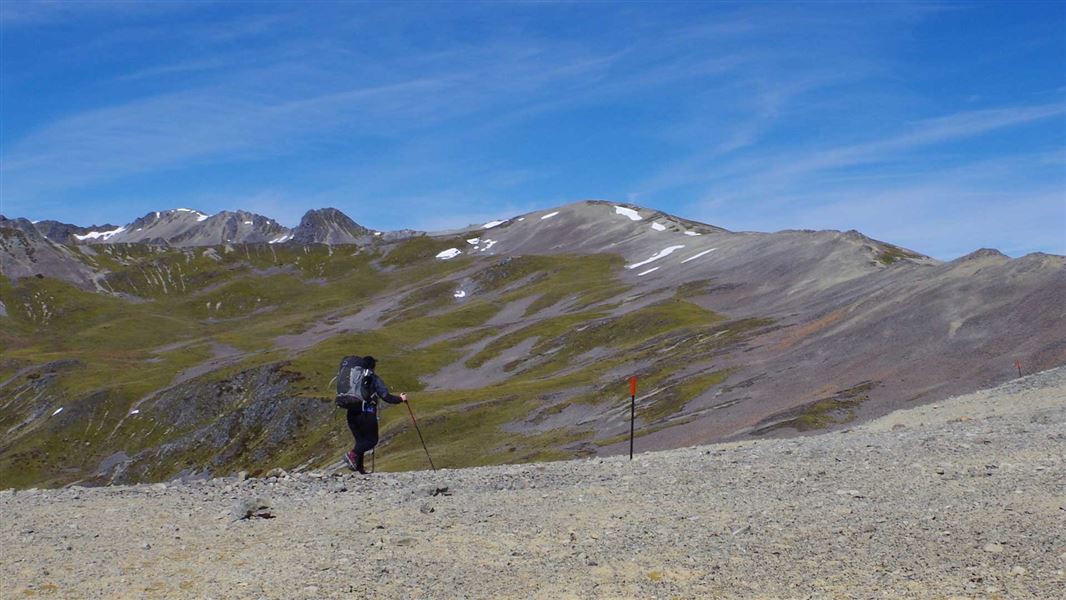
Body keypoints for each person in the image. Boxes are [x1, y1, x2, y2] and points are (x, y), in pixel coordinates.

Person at [342, 355, 407, 474]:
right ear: (373, 366)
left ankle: (359, 468)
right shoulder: (373, 378)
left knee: (360, 441)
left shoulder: (354, 380)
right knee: (372, 440)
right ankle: (352, 455)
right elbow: (386, 396)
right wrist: (401, 399)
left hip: (351, 412)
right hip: (367, 413)